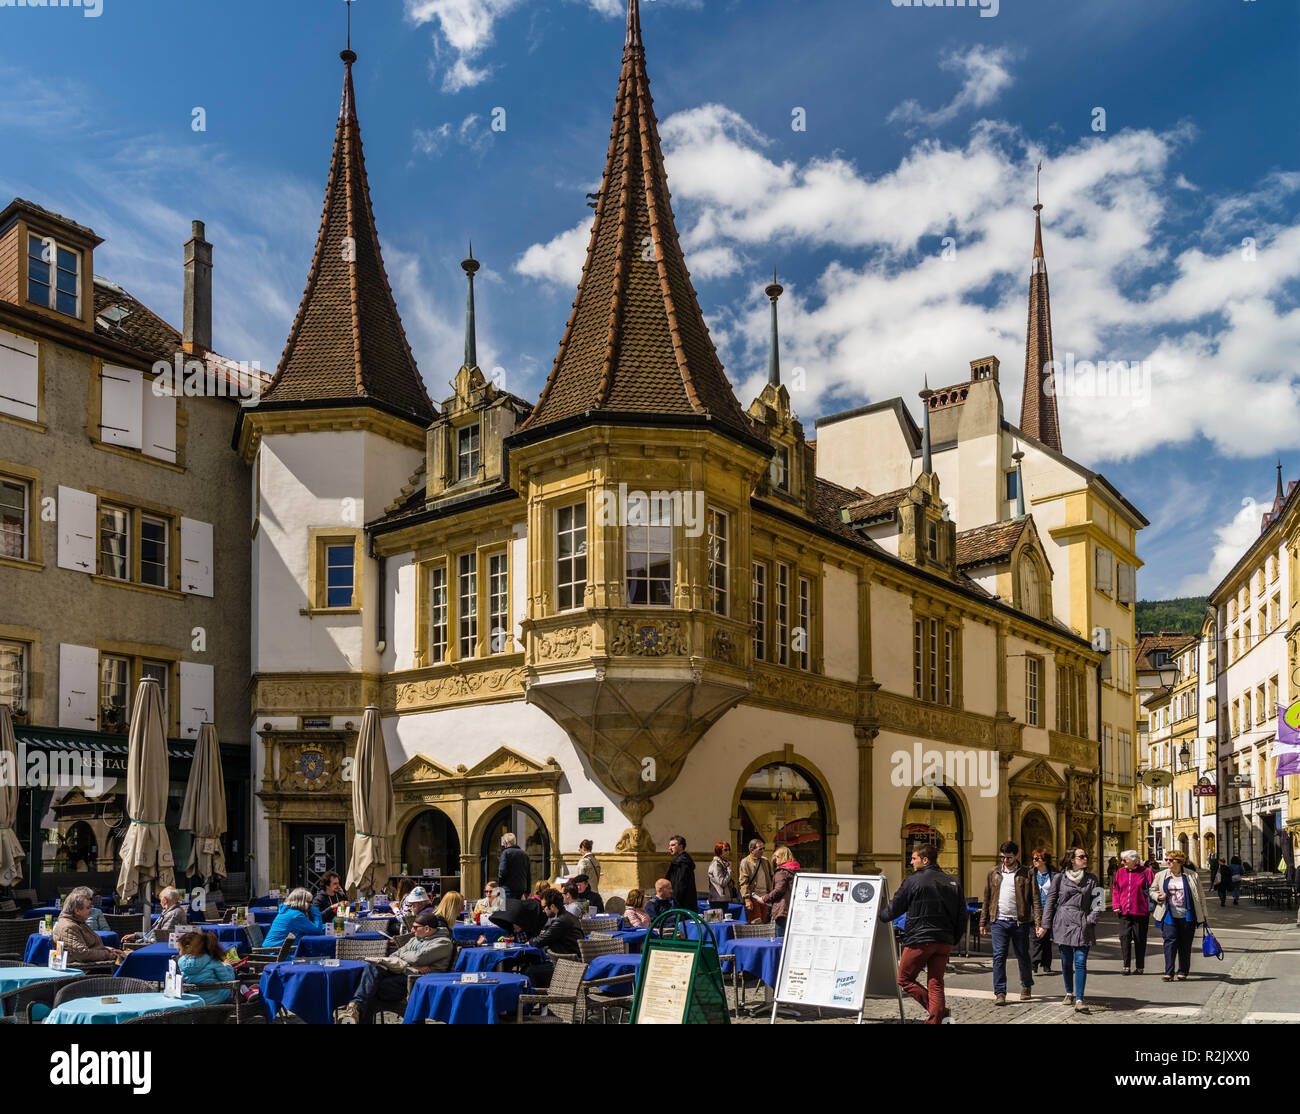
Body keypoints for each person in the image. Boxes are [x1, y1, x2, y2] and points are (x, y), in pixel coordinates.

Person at [878, 844, 963, 1024]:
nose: (911, 861)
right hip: (944, 940)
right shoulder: (952, 881)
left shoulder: (913, 880)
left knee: (904, 978)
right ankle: (938, 1016)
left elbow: (895, 907)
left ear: (925, 860)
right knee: (936, 983)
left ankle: (938, 1013)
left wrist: (879, 916)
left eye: (914, 858)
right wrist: (954, 938)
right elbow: (961, 915)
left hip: (921, 939)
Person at [337, 909, 457, 1024]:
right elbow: (394, 955)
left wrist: (405, 959)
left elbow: (417, 958)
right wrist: (410, 962)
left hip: (415, 983)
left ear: (426, 929)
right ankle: (355, 1009)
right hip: (403, 975)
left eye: (415, 927)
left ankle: (354, 1009)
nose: (412, 930)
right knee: (372, 969)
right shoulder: (417, 939)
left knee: (369, 987)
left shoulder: (443, 943)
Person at [1038, 847, 1100, 1013]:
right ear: (1072, 859)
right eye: (1081, 856)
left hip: (1082, 923)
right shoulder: (1059, 878)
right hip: (1063, 922)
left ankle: (1080, 999)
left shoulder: (1092, 878)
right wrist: (1045, 925)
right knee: (1066, 962)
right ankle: (1069, 992)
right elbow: (1050, 902)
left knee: (1080, 962)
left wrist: (1090, 920)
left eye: (1086, 856)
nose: (1085, 858)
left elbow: (1099, 903)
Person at [979, 840, 1040, 1005]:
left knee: (1022, 955)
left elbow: (1035, 899)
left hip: (1020, 922)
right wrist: (983, 921)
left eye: (1008, 857)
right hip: (998, 921)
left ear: (1016, 856)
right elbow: (987, 898)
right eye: (1002, 857)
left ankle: (1026, 985)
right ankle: (1000, 992)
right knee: (999, 956)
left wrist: (1038, 923)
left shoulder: (1027, 873)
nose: (1005, 861)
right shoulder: (993, 873)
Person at [1150, 849, 1209, 982]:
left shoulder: (1192, 875)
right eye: (1167, 860)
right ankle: (1169, 972)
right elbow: (1152, 890)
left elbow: (1201, 896)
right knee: (1169, 943)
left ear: (1179, 862)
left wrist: (1204, 914)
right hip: (1168, 915)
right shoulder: (1161, 875)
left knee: (1185, 944)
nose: (1168, 862)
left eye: (1171, 860)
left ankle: (1182, 971)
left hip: (1187, 915)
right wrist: (1159, 896)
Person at [522, 889, 582, 989]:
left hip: (566, 966)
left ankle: (539, 1000)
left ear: (552, 906)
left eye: (544, 907)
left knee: (529, 971)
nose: (543, 910)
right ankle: (544, 1001)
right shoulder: (568, 917)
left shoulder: (561, 921)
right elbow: (551, 936)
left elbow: (540, 941)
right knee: (534, 965)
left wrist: (530, 941)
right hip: (571, 962)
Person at [53, 888, 127, 965]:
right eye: (88, 908)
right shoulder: (69, 927)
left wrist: (110, 950)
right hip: (89, 969)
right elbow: (82, 953)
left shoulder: (78, 922)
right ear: (77, 911)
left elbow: (90, 947)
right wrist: (107, 954)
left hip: (93, 963)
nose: (90, 910)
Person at [1112, 850, 1153, 976]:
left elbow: (1153, 888)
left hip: (1141, 912)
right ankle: (1126, 966)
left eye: (1125, 860)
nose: (1122, 862)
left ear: (1134, 860)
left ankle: (1140, 967)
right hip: (1124, 912)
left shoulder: (1146, 872)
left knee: (1140, 939)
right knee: (1124, 938)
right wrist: (1116, 904)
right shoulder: (1120, 872)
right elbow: (1115, 889)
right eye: (1122, 860)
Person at [175, 930, 237, 1005]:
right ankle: (247, 992)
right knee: (235, 978)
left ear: (188, 948)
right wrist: (228, 966)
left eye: (179, 949)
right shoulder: (213, 960)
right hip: (219, 998)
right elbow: (228, 980)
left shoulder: (181, 963)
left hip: (196, 999)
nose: (179, 952)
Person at [262, 887, 329, 949]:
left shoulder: (288, 912)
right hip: (276, 952)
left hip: (274, 949)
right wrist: (316, 912)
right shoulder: (296, 916)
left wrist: (327, 927)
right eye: (309, 902)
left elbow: (310, 927)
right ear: (302, 902)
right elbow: (317, 931)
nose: (311, 905)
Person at [123, 886, 189, 945]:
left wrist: (138, 941)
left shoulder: (173, 914)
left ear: (165, 900)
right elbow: (155, 933)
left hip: (153, 946)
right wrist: (136, 935)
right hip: (152, 942)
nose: (160, 903)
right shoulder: (170, 911)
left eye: (160, 900)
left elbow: (162, 938)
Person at [760, 847, 801, 932]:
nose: (775, 860)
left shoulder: (781, 872)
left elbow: (779, 890)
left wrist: (765, 898)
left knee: (780, 939)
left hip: (782, 909)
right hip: (794, 908)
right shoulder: (795, 870)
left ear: (783, 857)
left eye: (777, 857)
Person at [1029, 849, 1056, 975]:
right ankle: (1034, 963)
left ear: (1044, 860)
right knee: (1035, 937)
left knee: (1047, 938)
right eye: (1033, 858)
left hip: (1049, 909)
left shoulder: (1054, 874)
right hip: (1034, 910)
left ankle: (1046, 963)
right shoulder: (1031, 873)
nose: (1034, 861)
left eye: (1037, 859)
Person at [738, 839, 774, 925]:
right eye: (760, 849)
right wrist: (747, 899)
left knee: (765, 922)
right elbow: (743, 882)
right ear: (751, 850)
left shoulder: (765, 861)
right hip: (754, 896)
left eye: (763, 848)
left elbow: (771, 876)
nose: (762, 851)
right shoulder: (745, 862)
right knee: (755, 922)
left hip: (765, 896)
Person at [666, 835, 697, 912]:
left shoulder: (681, 862)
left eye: (673, 845)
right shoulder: (680, 861)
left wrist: (673, 900)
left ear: (681, 846)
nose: (669, 848)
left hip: (681, 904)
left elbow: (680, 883)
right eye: (669, 845)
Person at [497, 832, 531, 900]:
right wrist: (528, 891)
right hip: (521, 890)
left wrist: (499, 885)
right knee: (518, 910)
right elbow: (528, 874)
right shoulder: (525, 855)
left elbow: (502, 871)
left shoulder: (505, 853)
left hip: (507, 890)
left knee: (506, 909)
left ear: (506, 843)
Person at [707, 842, 735, 911]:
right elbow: (721, 882)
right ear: (719, 851)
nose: (728, 852)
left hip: (722, 898)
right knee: (718, 920)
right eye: (725, 850)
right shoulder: (716, 864)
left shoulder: (724, 863)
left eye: (729, 850)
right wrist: (729, 872)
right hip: (717, 899)